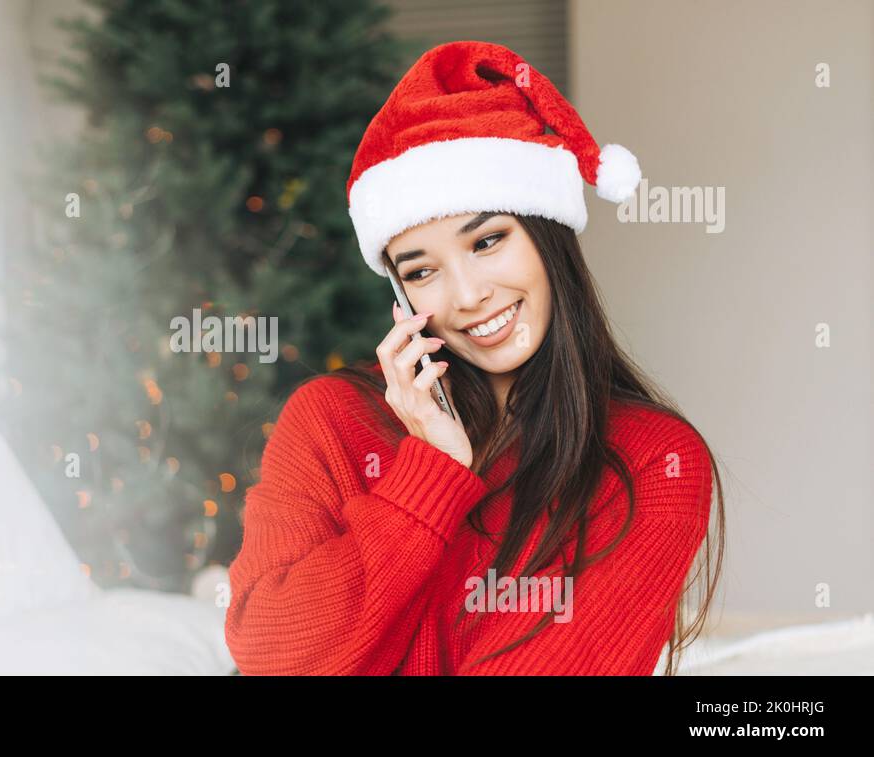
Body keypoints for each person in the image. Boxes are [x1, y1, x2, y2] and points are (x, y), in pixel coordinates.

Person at [224, 41, 725, 676]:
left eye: (488, 240)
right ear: (402, 297)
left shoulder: (654, 460)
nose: (467, 296)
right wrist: (428, 474)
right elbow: (272, 657)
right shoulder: (332, 419)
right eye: (422, 270)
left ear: (548, 237)